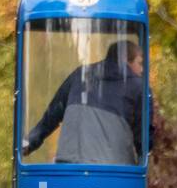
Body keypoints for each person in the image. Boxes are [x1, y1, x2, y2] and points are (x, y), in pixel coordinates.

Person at [22, 38, 151, 165]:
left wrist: (28, 143)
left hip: (69, 168)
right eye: (140, 63)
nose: (142, 70)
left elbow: (52, 115)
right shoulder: (140, 87)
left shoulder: (80, 76)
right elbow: (144, 142)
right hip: (115, 174)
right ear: (124, 61)